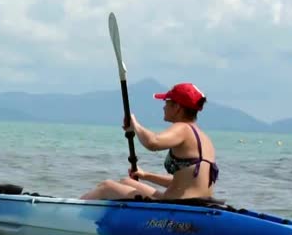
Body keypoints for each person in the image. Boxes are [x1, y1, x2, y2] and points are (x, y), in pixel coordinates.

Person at [80, 82, 218, 201]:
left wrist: (134, 124)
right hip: (196, 203)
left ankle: (69, 210)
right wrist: (146, 175)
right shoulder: (204, 138)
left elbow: (153, 142)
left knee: (107, 186)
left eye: (167, 102)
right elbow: (186, 182)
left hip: (178, 206)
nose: (163, 107)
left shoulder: (183, 128)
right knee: (126, 182)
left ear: (177, 108)